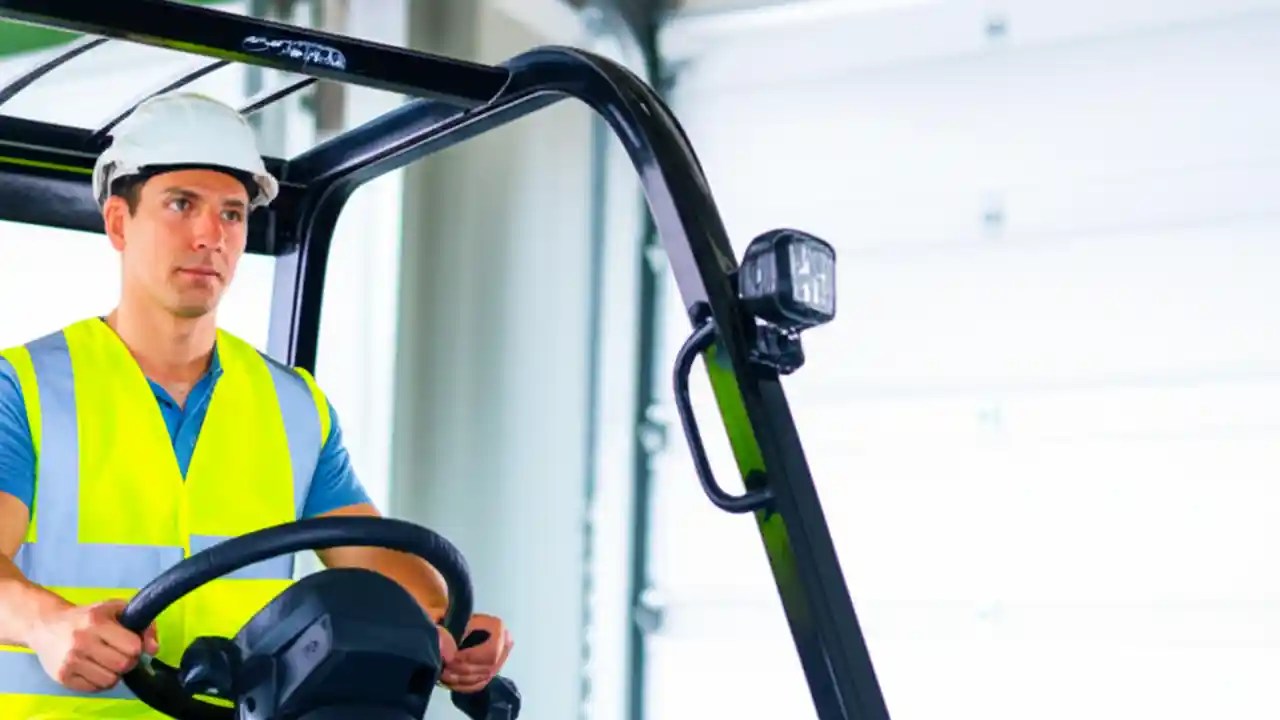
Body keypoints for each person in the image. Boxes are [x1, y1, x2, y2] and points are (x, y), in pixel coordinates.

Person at [0, 91, 512, 717]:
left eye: (233, 214)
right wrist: (48, 623)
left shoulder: (295, 405)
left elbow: (381, 563)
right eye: (181, 205)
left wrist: (453, 628)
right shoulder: (24, 388)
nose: (210, 235)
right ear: (117, 222)